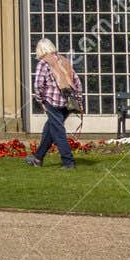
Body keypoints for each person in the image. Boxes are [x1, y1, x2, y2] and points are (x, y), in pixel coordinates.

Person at [27, 38, 79, 169]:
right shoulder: (64, 60)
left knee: (58, 132)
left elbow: (38, 85)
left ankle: (68, 162)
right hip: (67, 103)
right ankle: (37, 158)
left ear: (40, 50)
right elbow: (76, 81)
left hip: (52, 102)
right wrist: (78, 99)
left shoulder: (43, 63)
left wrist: (40, 100)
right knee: (49, 130)